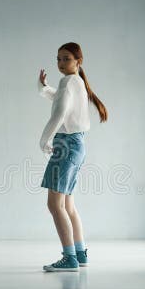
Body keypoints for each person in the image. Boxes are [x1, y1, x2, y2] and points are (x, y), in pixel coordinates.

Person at [38, 42, 107, 272]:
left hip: (66, 145)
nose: (60, 63)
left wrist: (44, 139)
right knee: (68, 205)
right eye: (58, 59)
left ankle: (69, 258)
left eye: (66, 58)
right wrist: (43, 88)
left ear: (79, 61)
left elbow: (60, 111)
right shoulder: (76, 82)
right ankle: (80, 253)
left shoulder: (68, 82)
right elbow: (60, 100)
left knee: (54, 204)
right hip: (77, 145)